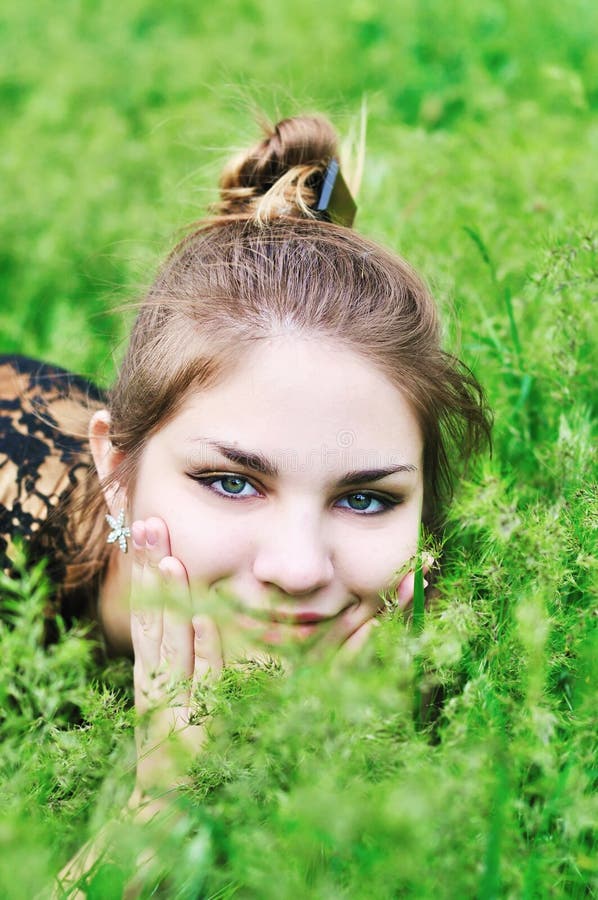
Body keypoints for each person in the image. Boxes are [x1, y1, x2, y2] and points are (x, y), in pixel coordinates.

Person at [0, 113, 491, 888]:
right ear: (116, 469)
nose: (298, 568)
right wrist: (163, 801)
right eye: (232, 482)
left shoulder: (460, 640)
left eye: (366, 499)